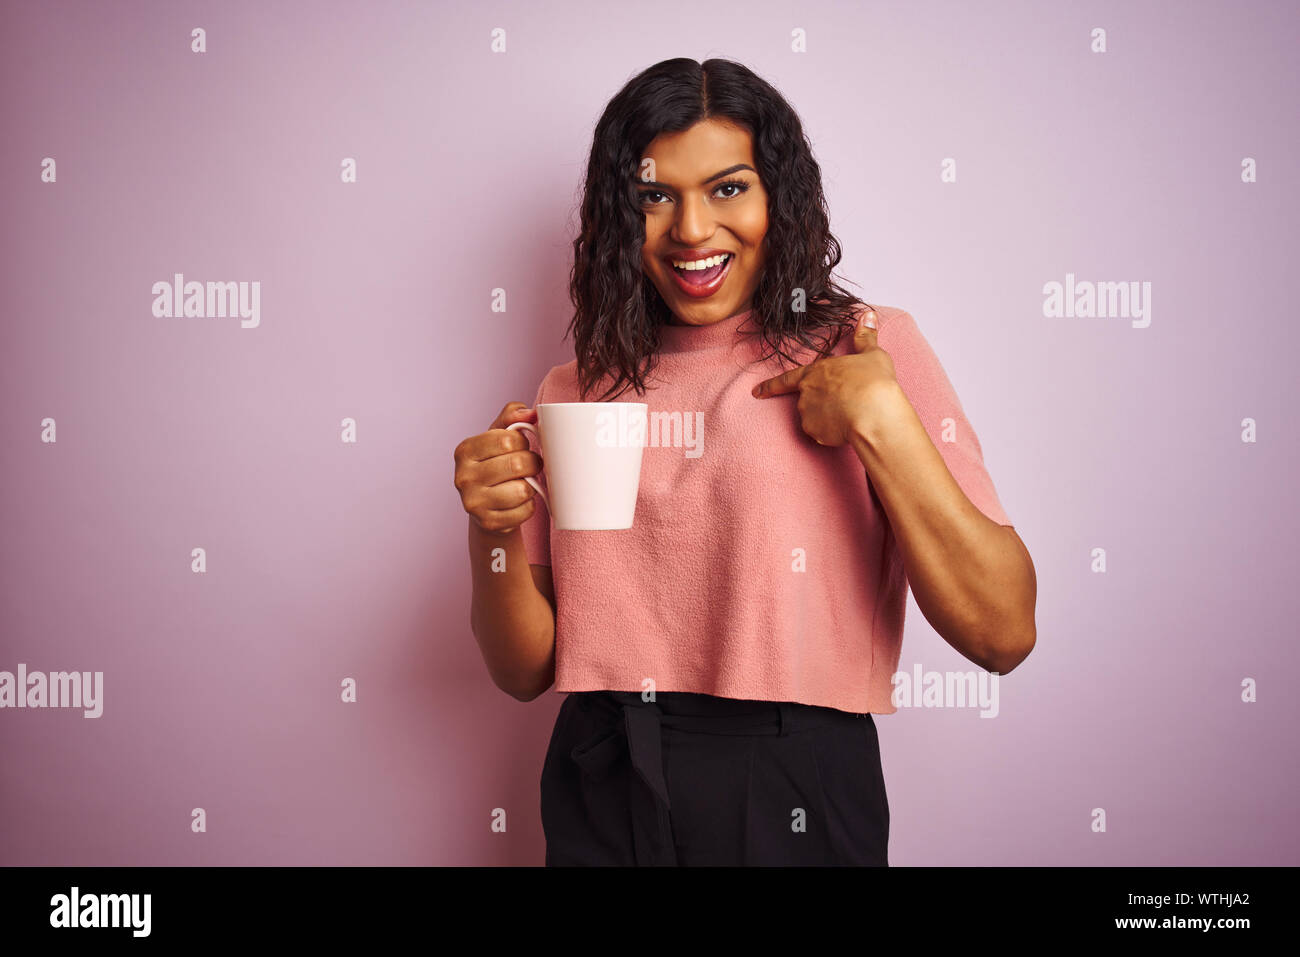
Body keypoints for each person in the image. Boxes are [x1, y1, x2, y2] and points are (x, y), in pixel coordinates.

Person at [452, 57, 1037, 866]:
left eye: (729, 188)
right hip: (601, 768)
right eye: (655, 195)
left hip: (790, 773)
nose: (692, 229)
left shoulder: (866, 347)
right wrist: (490, 528)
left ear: (779, 199)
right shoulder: (574, 389)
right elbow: (526, 671)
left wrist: (882, 420)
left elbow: (1003, 633)